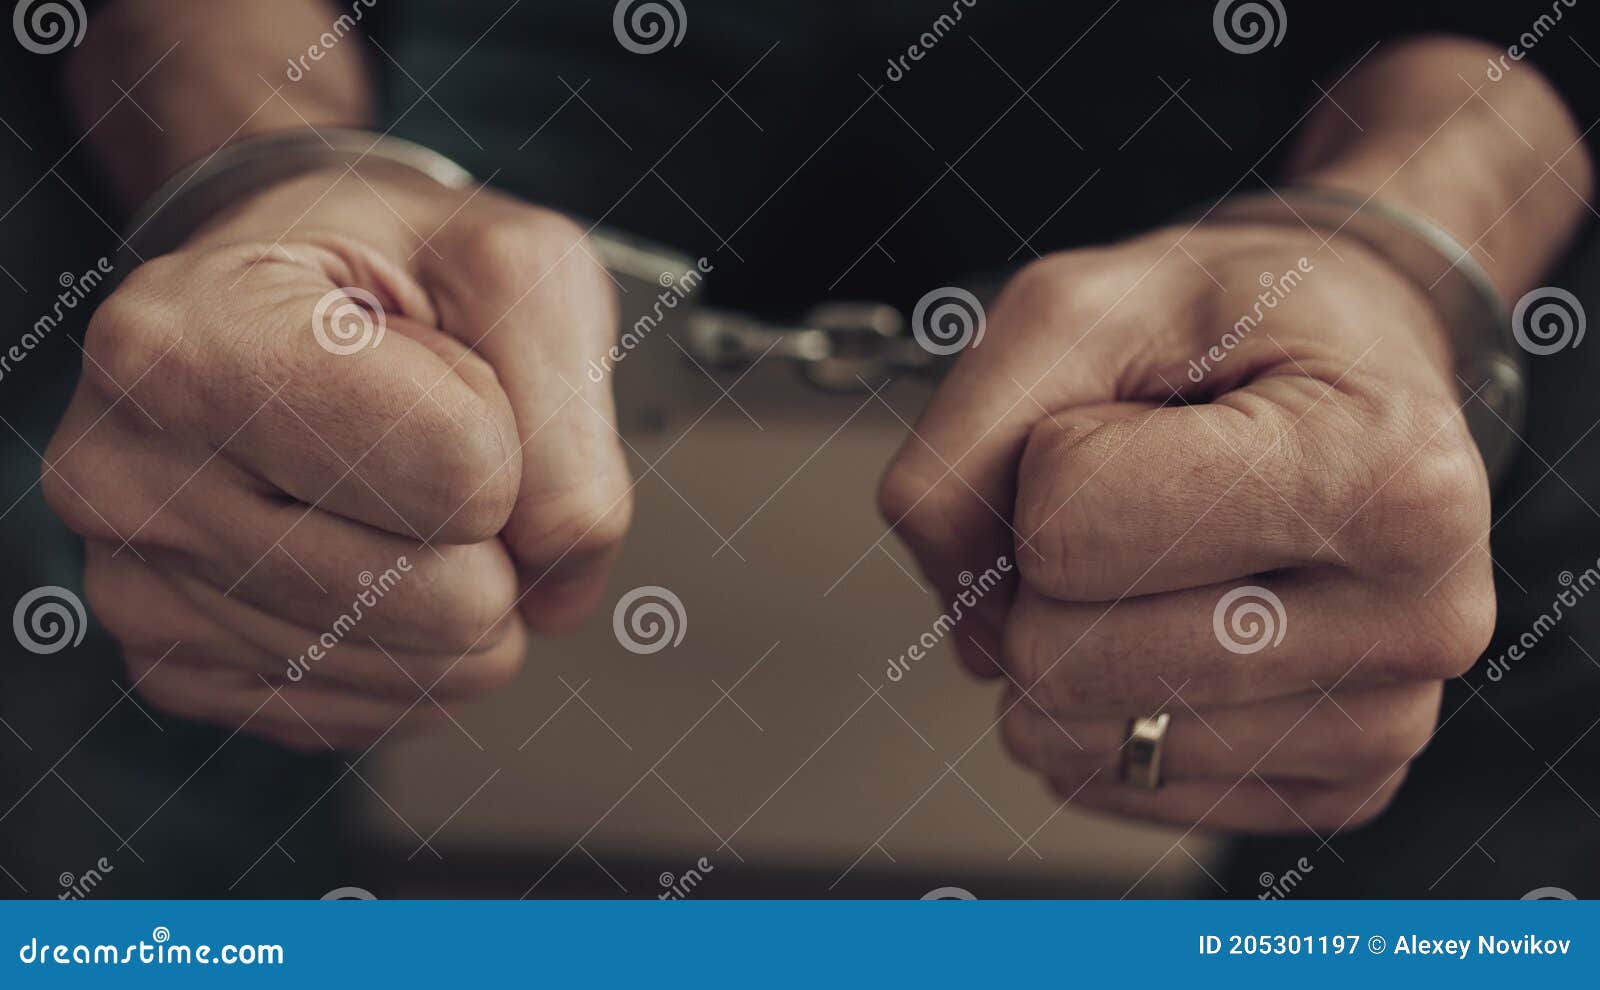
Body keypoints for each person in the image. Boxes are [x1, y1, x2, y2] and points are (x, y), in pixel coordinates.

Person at [19, 0, 1599, 896]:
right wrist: (251, 170)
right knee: (194, 456)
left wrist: (1405, 250)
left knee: (1478, 518)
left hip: (1274, 53)